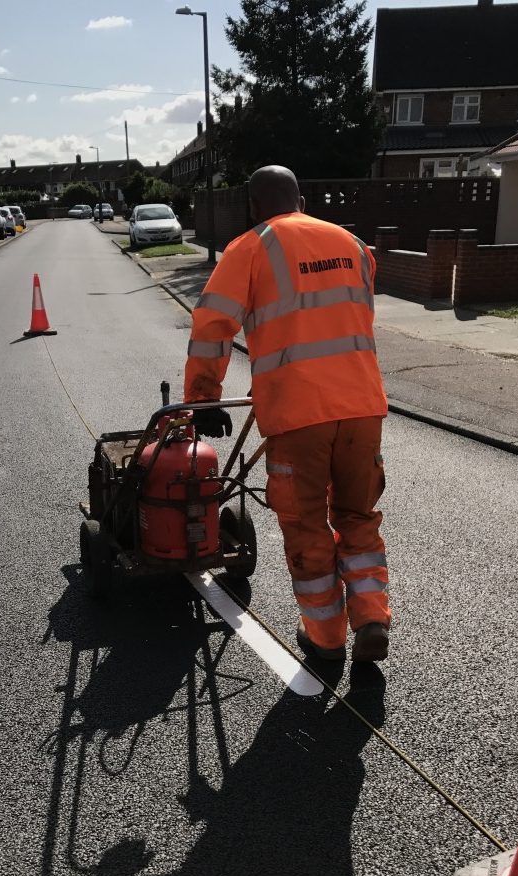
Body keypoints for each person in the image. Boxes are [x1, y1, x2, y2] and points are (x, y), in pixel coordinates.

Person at [183, 165, 391, 663]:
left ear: (253, 207)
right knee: (358, 517)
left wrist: (204, 399)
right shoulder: (353, 244)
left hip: (299, 417)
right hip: (362, 407)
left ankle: (325, 639)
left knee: (306, 526)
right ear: (301, 201)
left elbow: (212, 324)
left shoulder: (251, 246)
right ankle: (371, 616)